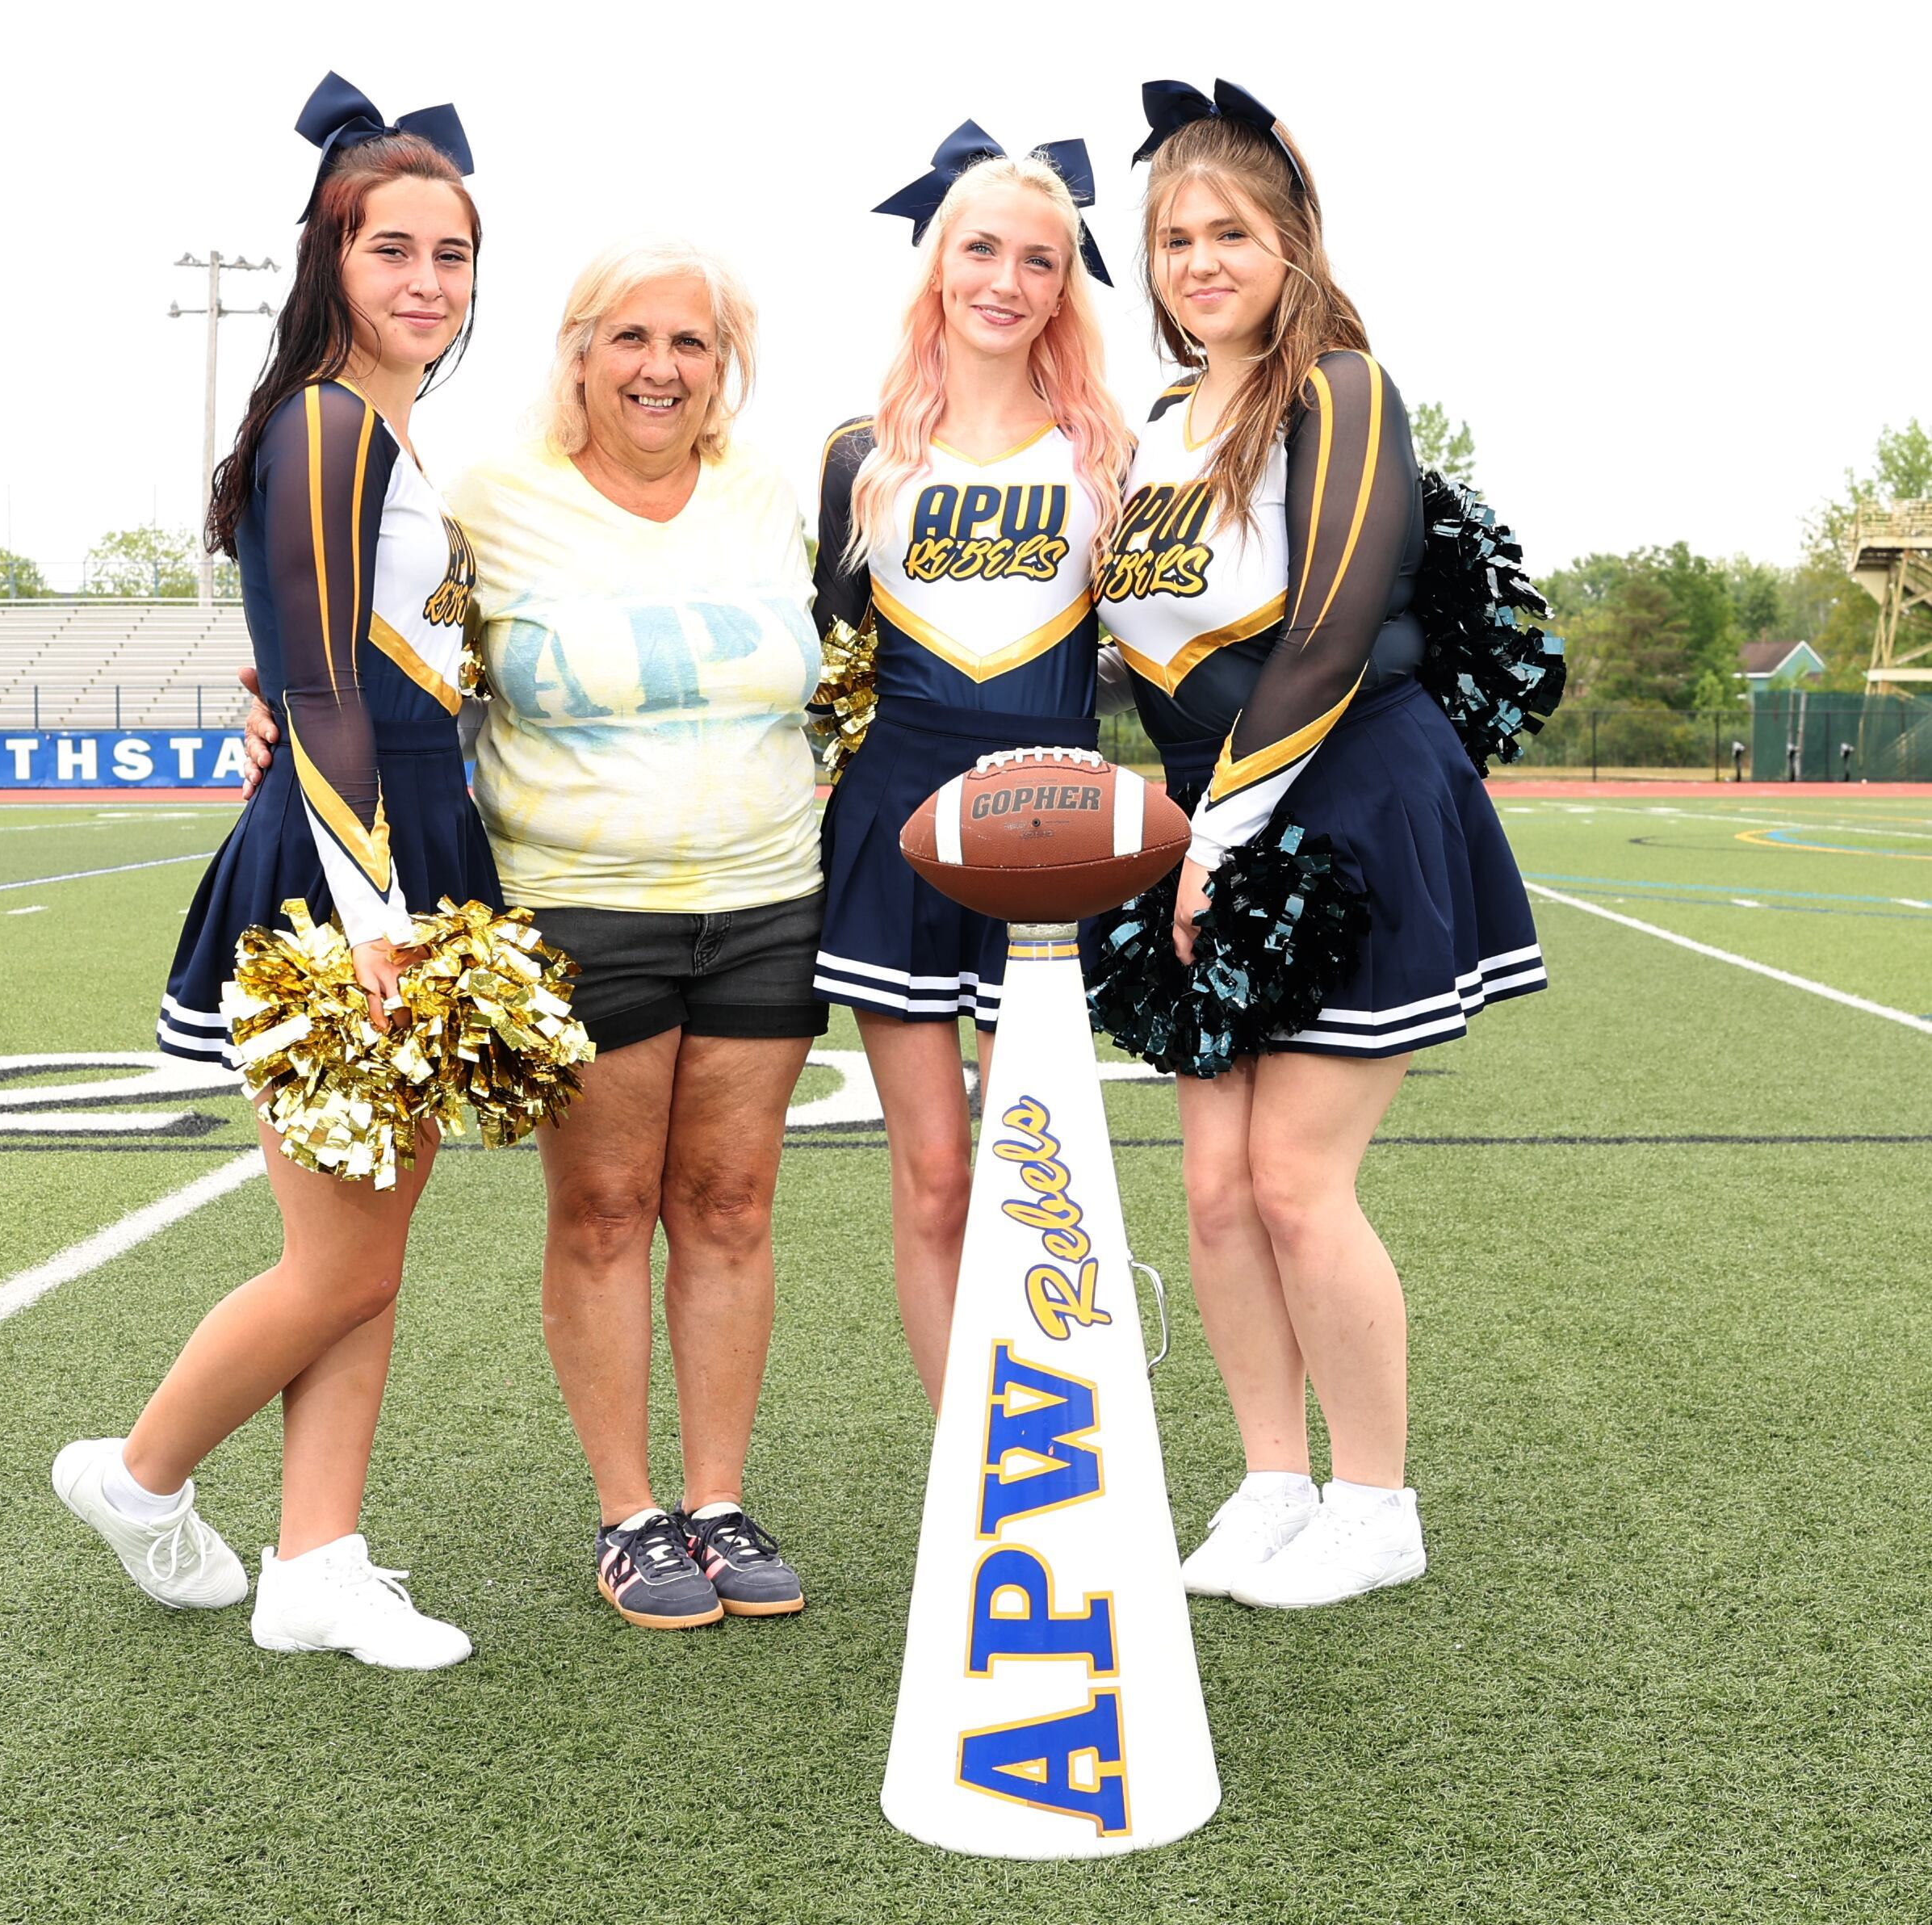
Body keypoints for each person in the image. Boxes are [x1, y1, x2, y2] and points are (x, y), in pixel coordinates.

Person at [52, 77, 497, 1668]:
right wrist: (378, 919)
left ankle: (316, 1559)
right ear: (332, 254)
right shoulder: (322, 419)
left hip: (411, 856)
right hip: (344, 877)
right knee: (341, 1254)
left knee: (372, 1240)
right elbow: (317, 683)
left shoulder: (393, 434)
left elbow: (391, 666)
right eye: (395, 249)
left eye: (455, 252)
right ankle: (140, 1468)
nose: (429, 281)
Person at [1093, 81, 1547, 1608]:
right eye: (1171, 238)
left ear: (1292, 244)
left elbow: (1338, 630)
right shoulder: (1155, 423)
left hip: (1337, 804)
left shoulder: (1337, 391)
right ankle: (1271, 1482)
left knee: (1294, 1179)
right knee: (1212, 1189)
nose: (1198, 261)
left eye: (1229, 231)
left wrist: (1218, 833)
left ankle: (1375, 1500)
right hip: (1207, 823)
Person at [443, 240, 823, 1629]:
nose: (662, 369)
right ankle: (628, 1514)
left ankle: (716, 1500)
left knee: (727, 1207)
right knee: (603, 1211)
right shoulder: (493, 500)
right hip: (578, 904)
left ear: (725, 370)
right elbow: (402, 657)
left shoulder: (767, 494)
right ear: (580, 352)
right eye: (633, 340)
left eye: (693, 345)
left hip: (770, 893)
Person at [812, 126, 1132, 1407]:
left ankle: (1054, 1424)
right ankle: (969, 1459)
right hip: (897, 824)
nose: (1006, 279)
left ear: (1065, 286)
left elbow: (1169, 648)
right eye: (981, 248)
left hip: (1049, 831)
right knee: (935, 1174)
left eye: (1039, 260)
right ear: (938, 265)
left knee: (1028, 1167)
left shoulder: (1107, 458)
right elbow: (803, 655)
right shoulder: (861, 455)